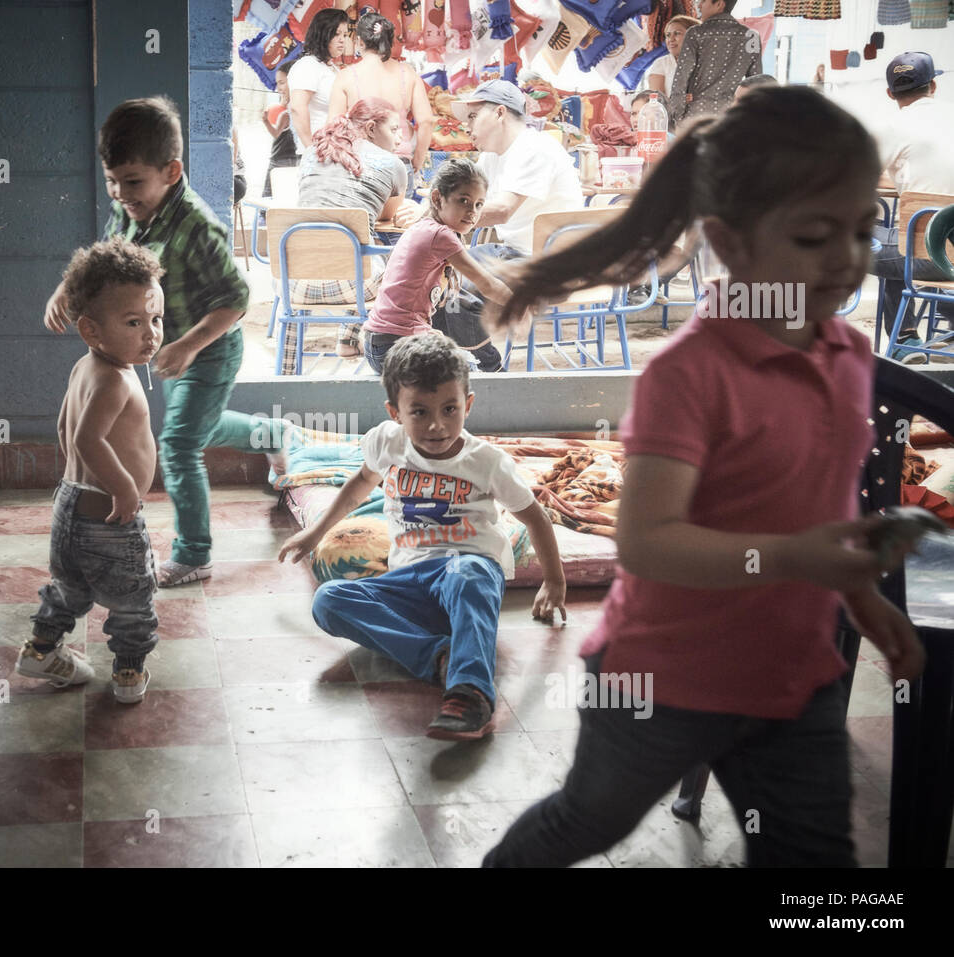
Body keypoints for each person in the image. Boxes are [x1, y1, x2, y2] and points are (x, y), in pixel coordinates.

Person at [483, 86, 926, 867]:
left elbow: (822, 504)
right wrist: (792, 558)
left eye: (864, 230)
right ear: (731, 241)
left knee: (816, 861)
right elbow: (650, 544)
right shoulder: (687, 375)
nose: (850, 259)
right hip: (661, 680)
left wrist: (855, 593)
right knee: (588, 821)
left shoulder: (850, 356)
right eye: (818, 235)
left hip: (793, 673)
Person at [279, 334, 566, 740]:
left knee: (468, 573)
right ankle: (439, 656)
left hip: (467, 576)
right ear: (395, 412)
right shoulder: (386, 442)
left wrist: (555, 581)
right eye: (420, 412)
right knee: (329, 600)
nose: (437, 425)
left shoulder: (487, 463)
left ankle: (471, 695)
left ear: (467, 404)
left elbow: (535, 518)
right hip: (410, 584)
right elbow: (361, 484)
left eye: (450, 409)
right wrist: (314, 533)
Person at [43, 97, 250, 589]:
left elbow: (238, 300)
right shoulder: (131, 213)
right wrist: (65, 290)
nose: (120, 193)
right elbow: (108, 262)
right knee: (199, 427)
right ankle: (280, 438)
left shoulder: (198, 226)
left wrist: (187, 347)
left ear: (171, 171)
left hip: (210, 346)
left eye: (132, 181)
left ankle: (194, 553)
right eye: (112, 181)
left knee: (178, 444)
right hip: (169, 343)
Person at [19, 238, 164, 701]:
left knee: (70, 588)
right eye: (134, 322)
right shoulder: (115, 380)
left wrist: (81, 481)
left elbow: (65, 430)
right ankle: (126, 673)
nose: (151, 334)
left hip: (70, 507)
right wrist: (124, 489)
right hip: (109, 521)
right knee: (133, 598)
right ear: (91, 330)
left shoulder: (86, 368)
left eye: (156, 319)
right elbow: (86, 438)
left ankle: (41, 650)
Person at [439, 80, 582, 349]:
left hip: (552, 267)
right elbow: (466, 201)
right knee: (436, 275)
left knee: (454, 290)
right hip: (513, 255)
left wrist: (435, 216)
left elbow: (502, 210)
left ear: (500, 113)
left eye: (472, 116)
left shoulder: (535, 148)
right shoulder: (492, 156)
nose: (465, 126)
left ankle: (484, 370)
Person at [288, 97, 414, 366]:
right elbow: (387, 217)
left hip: (293, 284)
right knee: (383, 259)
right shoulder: (393, 165)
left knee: (351, 245)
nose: (400, 138)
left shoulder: (313, 151)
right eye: (394, 129)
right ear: (370, 128)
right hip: (356, 286)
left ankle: (292, 365)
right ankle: (376, 352)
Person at [362, 160, 514, 373]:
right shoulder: (441, 235)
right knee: (472, 372)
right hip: (395, 345)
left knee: (455, 329)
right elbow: (487, 284)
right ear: (437, 198)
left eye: (479, 204)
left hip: (381, 343)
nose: (472, 211)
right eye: (463, 200)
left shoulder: (425, 228)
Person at [869, 52, 954, 363]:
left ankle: (904, 339)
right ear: (933, 86)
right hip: (949, 254)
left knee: (875, 241)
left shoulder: (893, 125)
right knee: (899, 240)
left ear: (891, 93)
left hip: (926, 256)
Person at [327, 10, 434, 196]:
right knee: (397, 222)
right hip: (400, 162)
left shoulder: (346, 76)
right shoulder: (407, 73)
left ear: (359, 41)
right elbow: (426, 121)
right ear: (391, 41)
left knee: (362, 223)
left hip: (360, 163)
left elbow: (333, 126)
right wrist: (417, 160)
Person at [667, 0, 761, 126]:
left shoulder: (695, 33)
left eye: (703, 1)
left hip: (696, 116)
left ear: (719, 4)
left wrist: (677, 119)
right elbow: (756, 85)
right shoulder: (751, 36)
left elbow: (681, 80)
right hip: (732, 117)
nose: (699, 5)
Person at [288, 8, 349, 153]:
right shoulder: (308, 65)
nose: (342, 40)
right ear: (322, 34)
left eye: (345, 34)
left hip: (336, 150)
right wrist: (311, 149)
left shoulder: (331, 67)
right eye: (336, 34)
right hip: (318, 153)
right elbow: (297, 108)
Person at [261, 60, 300, 198]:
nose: (278, 88)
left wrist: (266, 121)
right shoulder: (286, 111)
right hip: (294, 160)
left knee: (270, 197)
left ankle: (263, 218)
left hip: (280, 159)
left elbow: (276, 133)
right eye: (277, 83)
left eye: (282, 83)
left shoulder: (287, 113)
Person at [644, 14, 699, 100]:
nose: (671, 39)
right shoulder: (662, 63)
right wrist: (679, 101)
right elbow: (657, 102)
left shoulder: (708, 61)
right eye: (668, 35)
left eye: (677, 33)